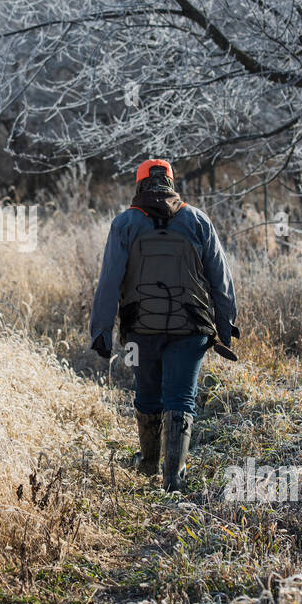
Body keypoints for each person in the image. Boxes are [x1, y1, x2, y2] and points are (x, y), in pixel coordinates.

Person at [90, 159, 238, 492]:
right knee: (181, 399)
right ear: (171, 182)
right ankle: (174, 480)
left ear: (139, 184)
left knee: (146, 394)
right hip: (192, 330)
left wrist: (101, 331)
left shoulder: (125, 223)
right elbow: (221, 279)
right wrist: (226, 323)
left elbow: (109, 282)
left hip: (138, 332)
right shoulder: (198, 220)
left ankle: (147, 465)